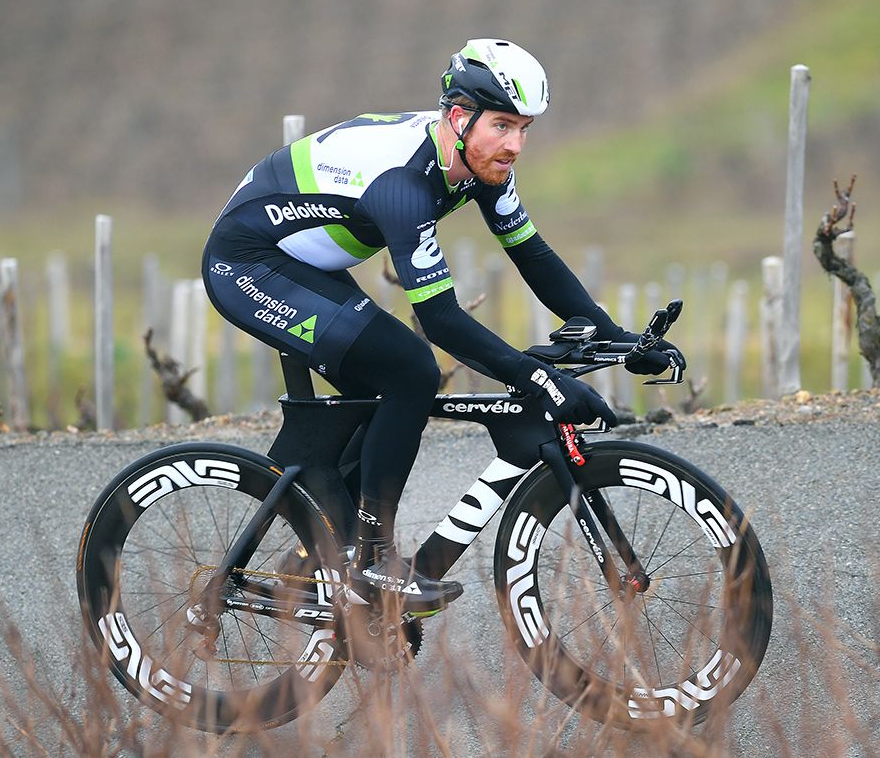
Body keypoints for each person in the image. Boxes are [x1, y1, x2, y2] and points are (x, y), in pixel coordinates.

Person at [202, 39, 684, 612]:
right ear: (459, 117)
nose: (515, 145)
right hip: (250, 263)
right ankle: (375, 561)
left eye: (524, 128)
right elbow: (440, 319)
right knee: (409, 370)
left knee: (380, 395)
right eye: (503, 125)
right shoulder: (403, 184)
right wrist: (537, 378)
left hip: (306, 265)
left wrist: (617, 338)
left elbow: (532, 254)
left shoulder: (478, 161)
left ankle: (315, 563)